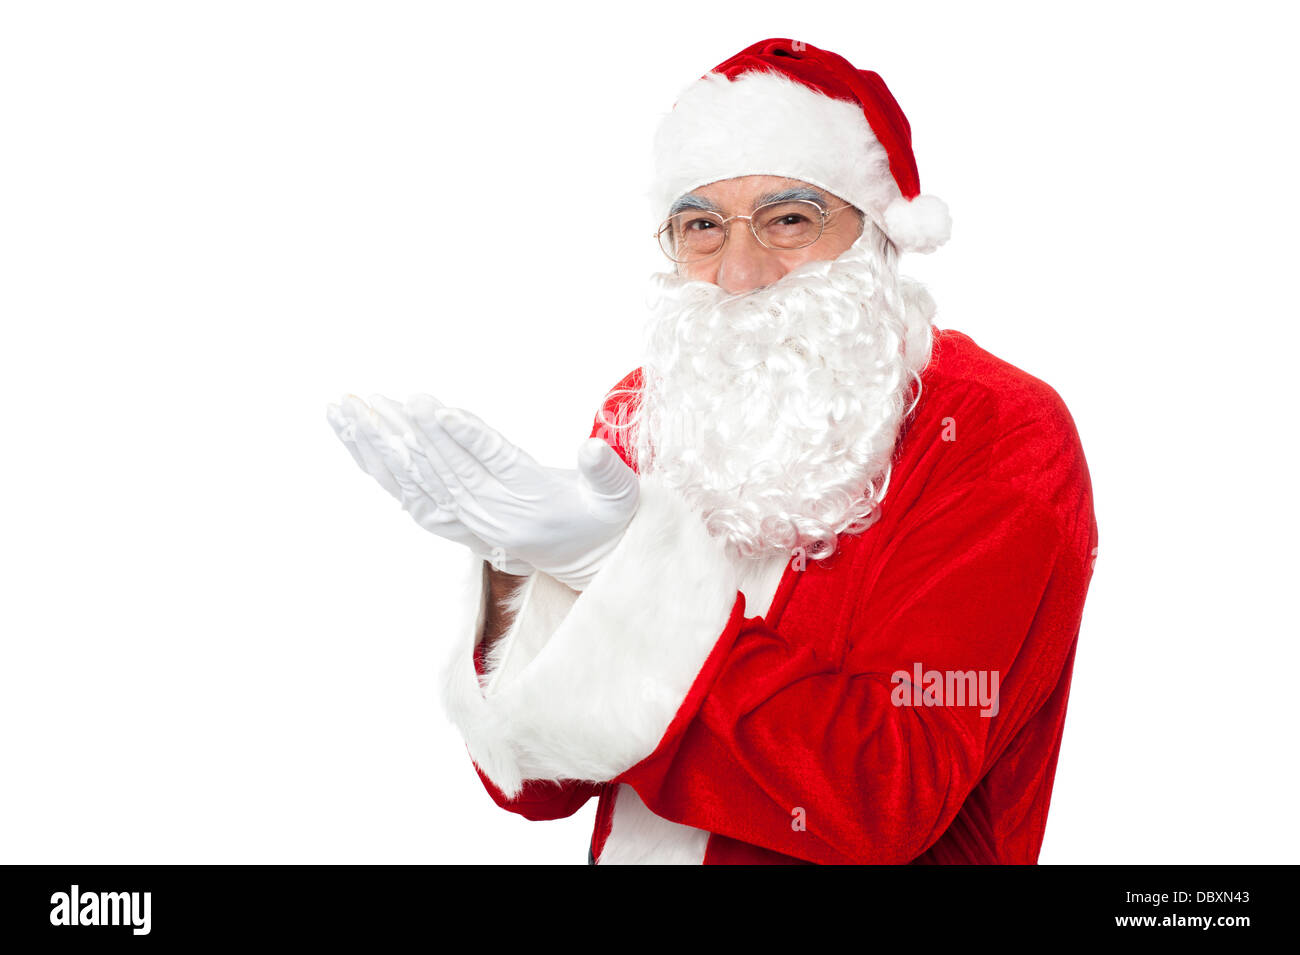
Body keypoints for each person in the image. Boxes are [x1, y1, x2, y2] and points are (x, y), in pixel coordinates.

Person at [327, 37, 1098, 865]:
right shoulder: (645, 411)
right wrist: (530, 575)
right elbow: (534, 784)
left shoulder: (996, 430)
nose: (739, 271)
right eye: (701, 225)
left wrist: (622, 580)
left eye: (790, 220)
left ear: (877, 234)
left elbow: (884, 797)